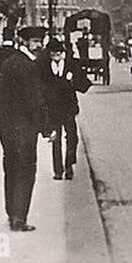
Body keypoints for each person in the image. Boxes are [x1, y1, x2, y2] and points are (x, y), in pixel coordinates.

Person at [0, 25, 51, 232]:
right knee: (26, 170)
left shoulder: (7, 63)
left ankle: (11, 211)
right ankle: (19, 218)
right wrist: (47, 128)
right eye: (34, 42)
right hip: (24, 128)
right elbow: (35, 102)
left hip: (6, 127)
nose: (38, 45)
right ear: (25, 43)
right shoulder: (29, 67)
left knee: (11, 168)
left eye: (40, 41)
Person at [42, 37, 92, 180]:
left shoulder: (71, 65)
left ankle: (69, 164)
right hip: (53, 108)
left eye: (58, 53)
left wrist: (73, 82)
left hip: (68, 107)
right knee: (55, 139)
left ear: (62, 53)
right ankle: (58, 170)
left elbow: (83, 82)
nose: (56, 55)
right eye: (53, 53)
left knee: (72, 137)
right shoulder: (44, 67)